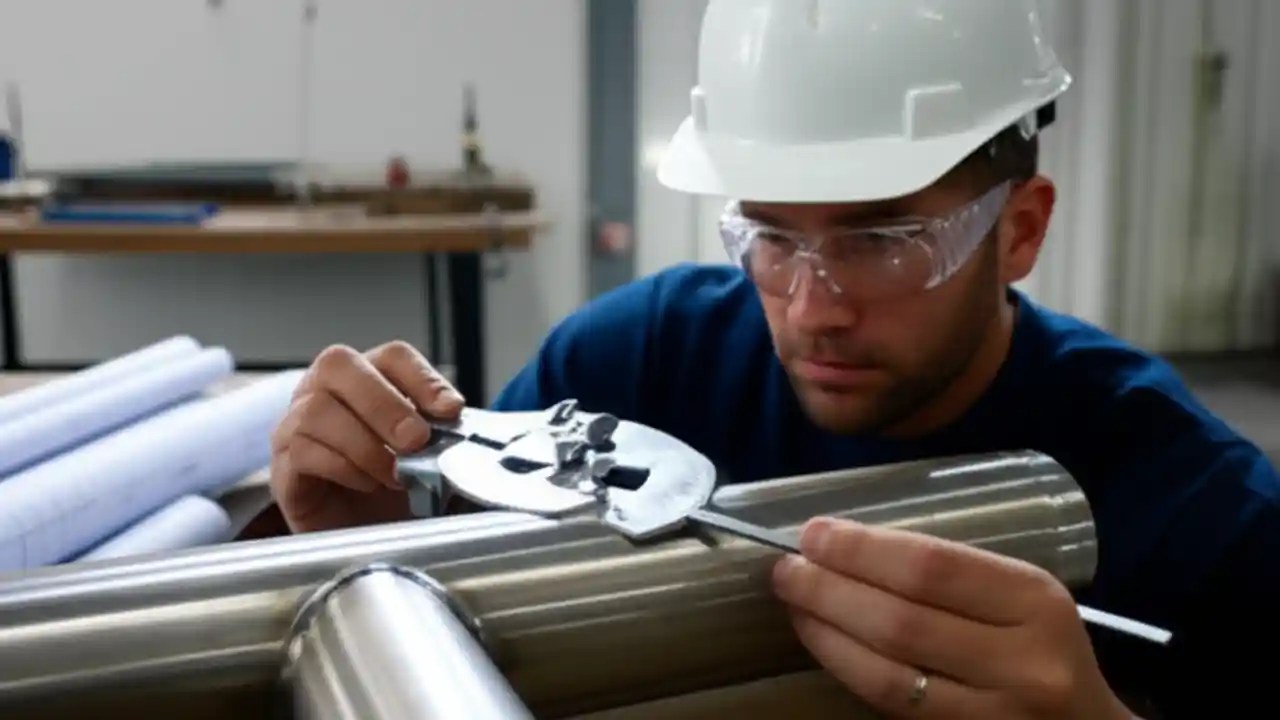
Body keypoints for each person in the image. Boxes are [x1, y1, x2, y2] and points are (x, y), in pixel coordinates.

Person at [268, 2, 1280, 717]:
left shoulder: (1194, 507)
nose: (809, 309)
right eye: (769, 236)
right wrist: (370, 542)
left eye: (882, 241)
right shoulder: (632, 365)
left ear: (1018, 230)